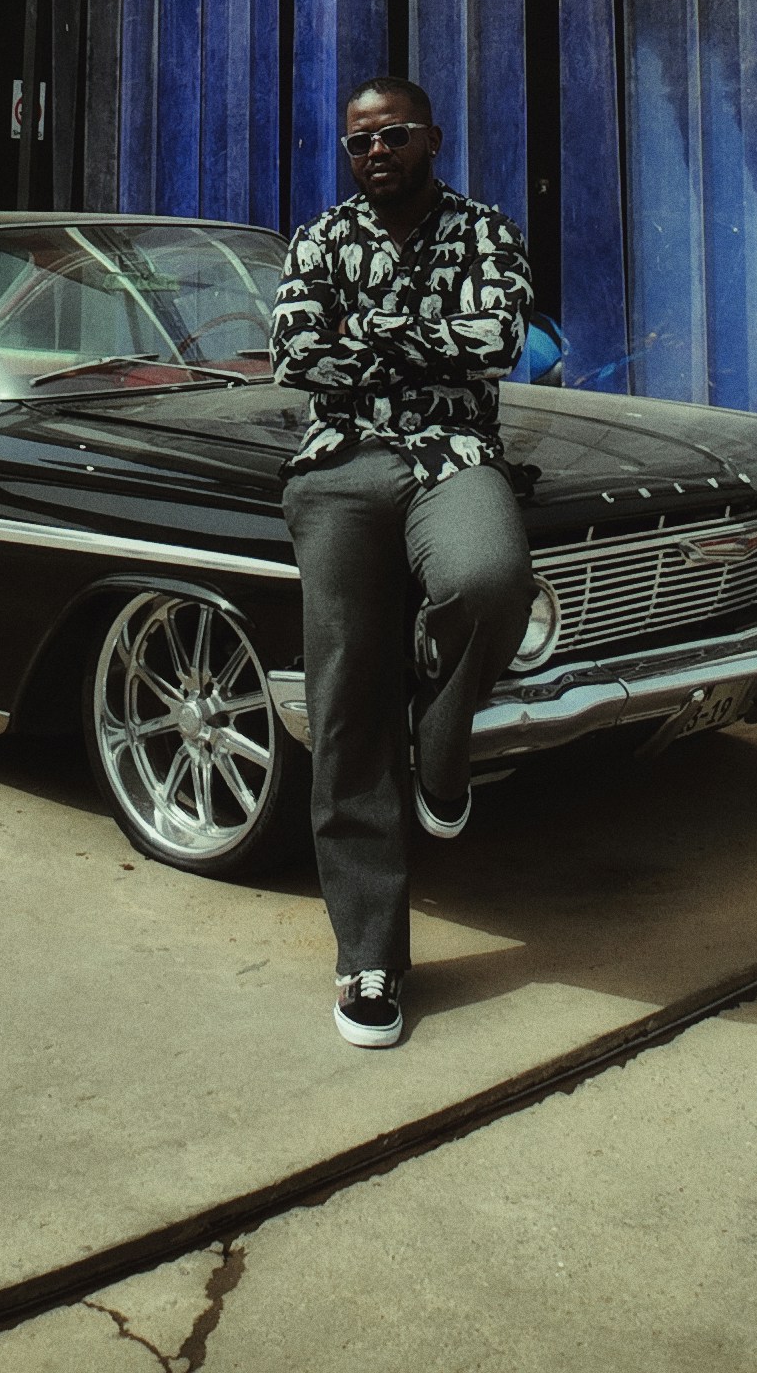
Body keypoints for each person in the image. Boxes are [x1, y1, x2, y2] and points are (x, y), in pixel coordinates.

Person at [270, 74, 534, 1050]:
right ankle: (369, 957)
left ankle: (443, 745)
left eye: (395, 137)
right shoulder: (320, 238)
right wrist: (427, 346)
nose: (376, 154)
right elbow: (297, 353)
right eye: (359, 143)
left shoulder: (484, 232)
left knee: (490, 579)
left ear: (432, 137)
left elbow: (499, 337)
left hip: (454, 457)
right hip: (339, 465)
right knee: (345, 699)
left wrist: (369, 340)